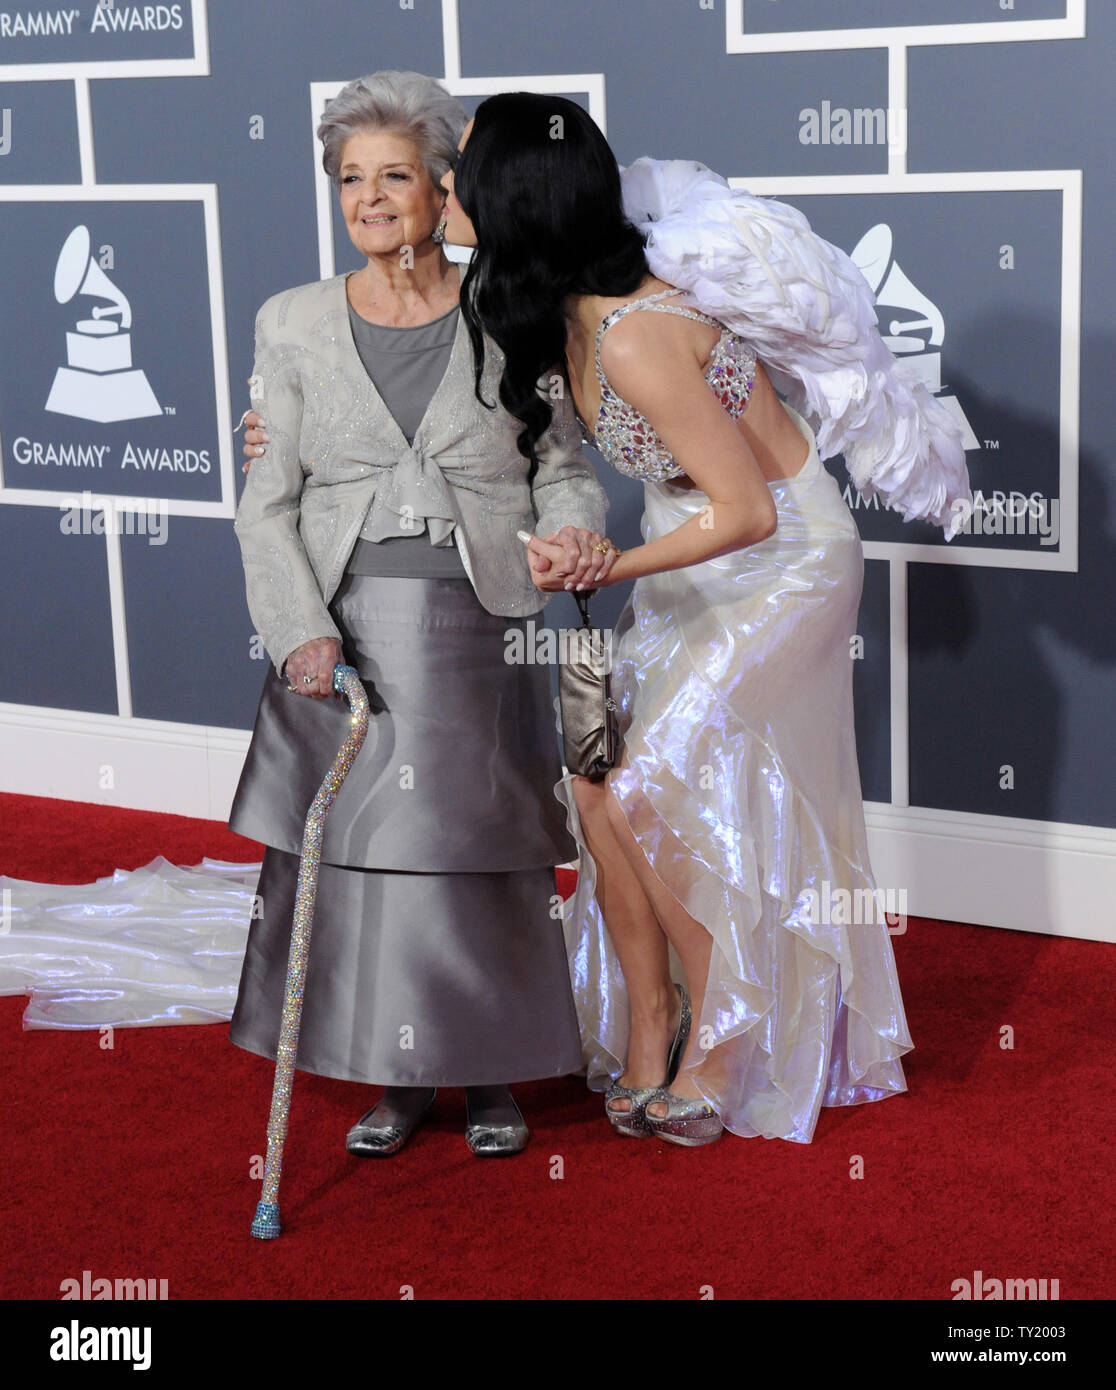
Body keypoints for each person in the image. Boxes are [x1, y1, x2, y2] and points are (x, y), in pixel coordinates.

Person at [439, 94, 969, 1146]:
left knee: (646, 787)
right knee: (595, 788)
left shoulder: (636, 337)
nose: (443, 191)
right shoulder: (571, 313)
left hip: (783, 562)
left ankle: (724, 1041)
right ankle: (652, 1026)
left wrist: (607, 559)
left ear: (514, 198)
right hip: (696, 550)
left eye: (458, 175)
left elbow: (751, 508)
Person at [230, 72, 609, 1158]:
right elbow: (268, 504)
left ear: (445, 185)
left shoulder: (510, 307)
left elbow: (561, 470)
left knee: (479, 855)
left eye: (394, 174)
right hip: (343, 630)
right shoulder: (291, 321)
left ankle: (488, 1071)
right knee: (362, 859)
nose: (370, 197)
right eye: (352, 179)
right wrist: (296, 627)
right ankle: (394, 1077)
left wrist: (573, 534)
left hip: (481, 623)